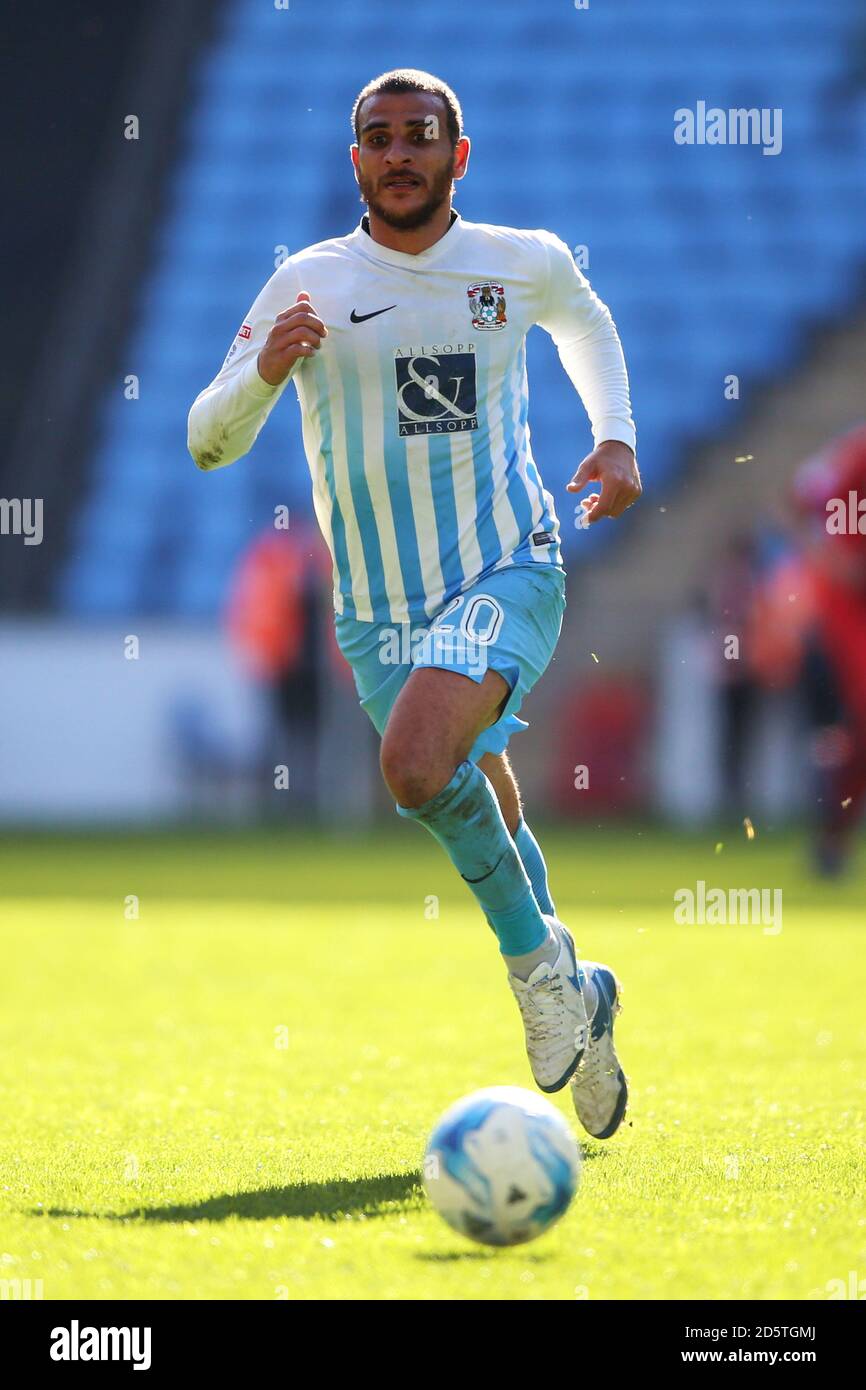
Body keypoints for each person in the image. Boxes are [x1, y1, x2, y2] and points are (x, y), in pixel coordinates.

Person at [188, 69, 640, 1139]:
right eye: (378, 139)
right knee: (470, 786)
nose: (398, 154)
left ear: (457, 154)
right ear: (355, 161)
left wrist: (614, 434)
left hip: (505, 563)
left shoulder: (518, 261)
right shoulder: (305, 282)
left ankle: (535, 976)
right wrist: (261, 373)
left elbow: (585, 323)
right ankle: (578, 984)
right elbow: (205, 441)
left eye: (419, 136)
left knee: (411, 765)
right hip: (375, 608)